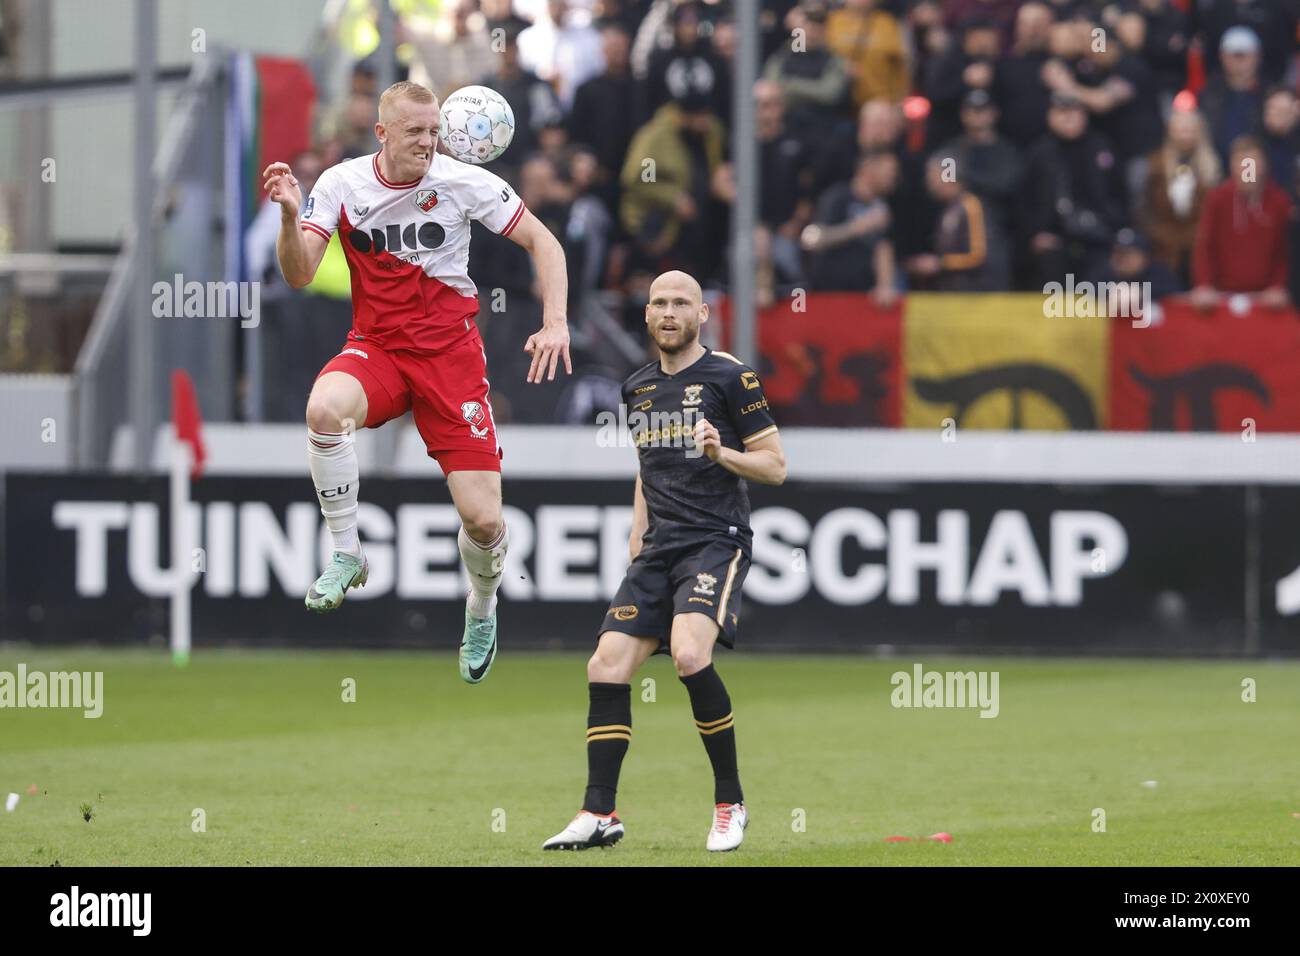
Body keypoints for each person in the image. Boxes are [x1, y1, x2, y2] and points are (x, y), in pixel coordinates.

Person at [262, 81, 572, 684]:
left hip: (449, 361)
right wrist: (288, 215)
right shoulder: (341, 185)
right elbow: (299, 274)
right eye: (415, 134)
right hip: (376, 349)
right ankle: (348, 553)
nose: (429, 144)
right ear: (382, 134)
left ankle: (481, 608)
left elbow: (544, 240)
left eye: (434, 132)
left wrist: (555, 322)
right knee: (324, 410)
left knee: (483, 520)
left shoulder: (464, 182)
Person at [542, 270, 786, 853]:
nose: (669, 311)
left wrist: (720, 452)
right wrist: (637, 534)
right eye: (659, 303)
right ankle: (599, 812)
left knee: (688, 653)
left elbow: (776, 465)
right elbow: (646, 468)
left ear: (703, 314)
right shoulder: (638, 387)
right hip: (659, 548)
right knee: (605, 665)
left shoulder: (732, 377)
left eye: (682, 302)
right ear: (647, 316)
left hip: (714, 539)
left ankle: (730, 803)